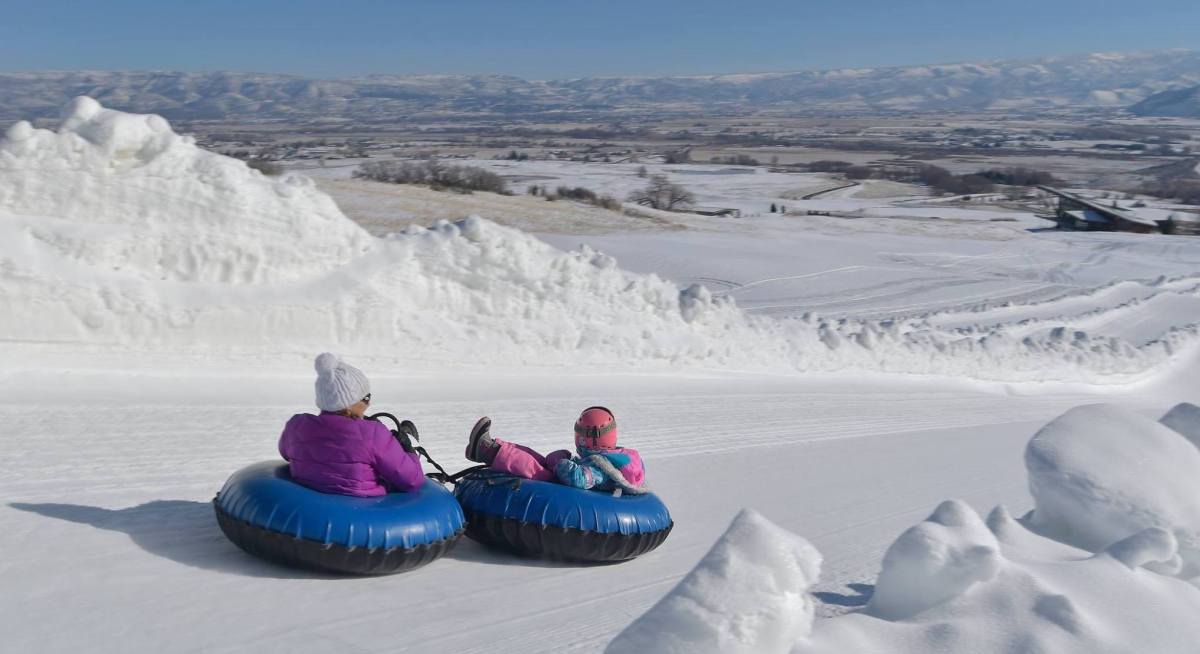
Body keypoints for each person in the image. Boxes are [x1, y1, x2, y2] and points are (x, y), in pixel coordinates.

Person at [278, 352, 424, 497]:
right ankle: (411, 444)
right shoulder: (372, 433)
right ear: (348, 403)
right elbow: (412, 480)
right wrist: (409, 451)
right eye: (366, 398)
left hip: (310, 504)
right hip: (364, 510)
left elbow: (286, 453)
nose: (369, 403)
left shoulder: (296, 425)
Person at [464, 406, 648, 494]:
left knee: (538, 472)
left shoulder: (604, 466)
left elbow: (581, 479)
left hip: (575, 494)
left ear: (588, 438)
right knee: (536, 458)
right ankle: (493, 447)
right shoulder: (615, 457)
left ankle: (487, 451)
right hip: (576, 482)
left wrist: (563, 465)